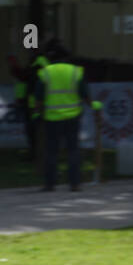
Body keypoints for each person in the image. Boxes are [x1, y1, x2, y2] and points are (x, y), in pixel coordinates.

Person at [36, 45, 100, 192]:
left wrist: (37, 113)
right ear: (66, 58)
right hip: (72, 117)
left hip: (52, 118)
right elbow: (85, 95)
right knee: (73, 150)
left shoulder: (45, 72)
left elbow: (39, 97)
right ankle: (75, 184)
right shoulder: (75, 72)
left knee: (51, 151)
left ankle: (50, 184)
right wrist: (94, 107)